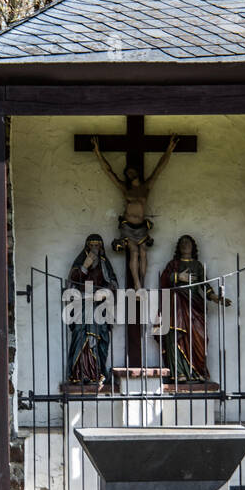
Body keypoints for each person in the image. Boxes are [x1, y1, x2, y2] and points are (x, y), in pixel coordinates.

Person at [92, 134, 178, 290]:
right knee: (134, 253)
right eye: (128, 173)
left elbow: (159, 168)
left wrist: (169, 149)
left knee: (143, 252)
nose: (130, 174)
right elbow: (109, 172)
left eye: (132, 172)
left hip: (141, 227)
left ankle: (142, 282)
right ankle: (137, 285)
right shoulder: (126, 189)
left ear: (137, 172)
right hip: (128, 226)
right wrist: (98, 152)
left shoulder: (146, 187)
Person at [158, 234, 230, 382]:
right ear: (178, 247)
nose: (185, 245)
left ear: (193, 246)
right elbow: (163, 280)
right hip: (176, 305)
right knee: (174, 335)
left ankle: (197, 371)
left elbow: (205, 285)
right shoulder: (173, 264)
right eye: (182, 243)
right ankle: (179, 372)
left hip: (194, 305)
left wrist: (216, 298)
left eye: (188, 242)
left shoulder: (197, 265)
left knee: (199, 337)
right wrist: (178, 277)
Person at [65, 234, 117, 385]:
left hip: (99, 306)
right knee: (81, 335)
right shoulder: (80, 262)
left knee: (100, 338)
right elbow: (71, 283)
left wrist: (104, 293)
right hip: (81, 303)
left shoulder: (104, 264)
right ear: (87, 247)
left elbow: (113, 283)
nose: (95, 248)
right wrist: (84, 267)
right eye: (92, 245)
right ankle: (80, 373)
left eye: (98, 245)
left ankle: (97, 372)